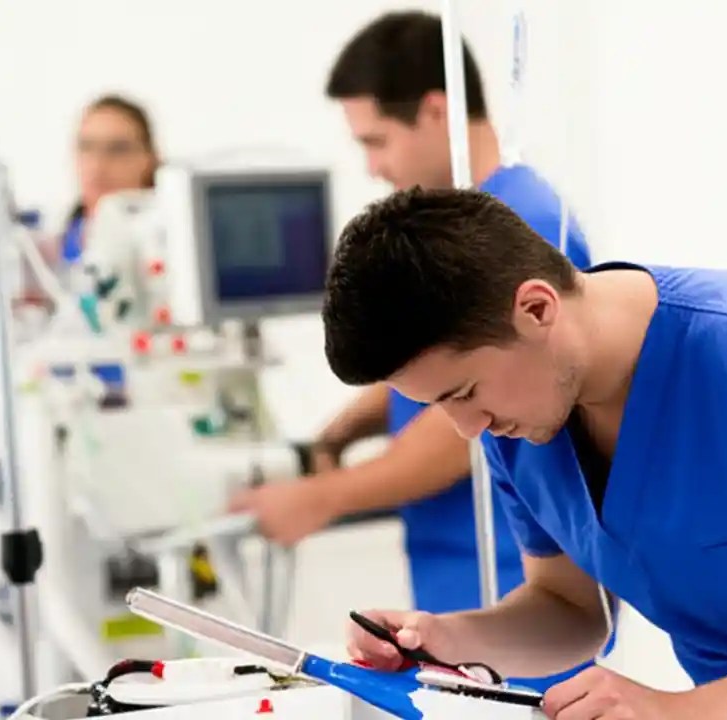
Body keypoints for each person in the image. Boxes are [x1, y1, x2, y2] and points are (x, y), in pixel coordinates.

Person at [331, 186, 727, 717]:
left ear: (537, 308)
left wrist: (680, 711)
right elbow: (570, 606)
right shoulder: (520, 428)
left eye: (465, 392)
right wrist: (447, 637)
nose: (468, 428)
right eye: (439, 405)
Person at [227, 10, 599, 687]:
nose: (372, 166)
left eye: (377, 140)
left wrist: (320, 498)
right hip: (453, 576)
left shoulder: (520, 225)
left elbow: (457, 431)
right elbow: (429, 367)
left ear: (435, 111)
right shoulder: (463, 225)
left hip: (518, 587)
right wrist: (346, 429)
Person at [59, 94, 160, 267]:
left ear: (149, 160)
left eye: (117, 149)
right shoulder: (43, 255)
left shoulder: (177, 244)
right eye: (87, 147)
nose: (98, 165)